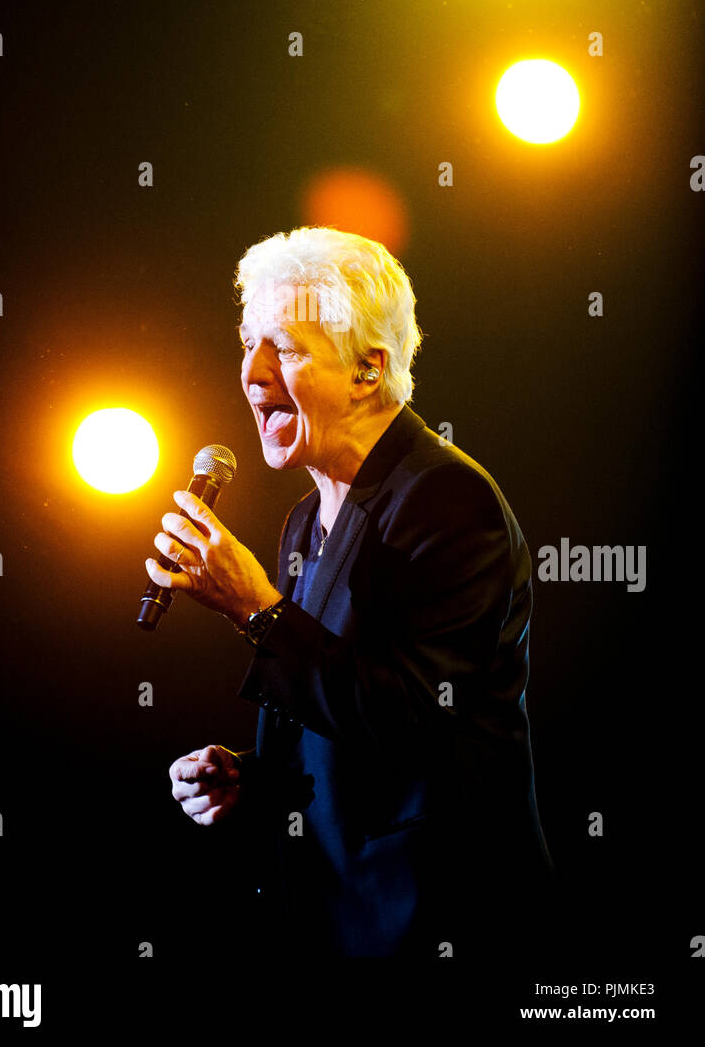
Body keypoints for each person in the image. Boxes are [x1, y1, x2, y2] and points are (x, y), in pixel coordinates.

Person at [145, 226, 554, 957]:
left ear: (369, 369)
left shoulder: (447, 499)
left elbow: (416, 721)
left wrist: (255, 608)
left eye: (288, 348)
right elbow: (342, 712)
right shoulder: (305, 520)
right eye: (247, 342)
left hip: (438, 922)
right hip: (333, 920)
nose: (253, 372)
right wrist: (253, 776)